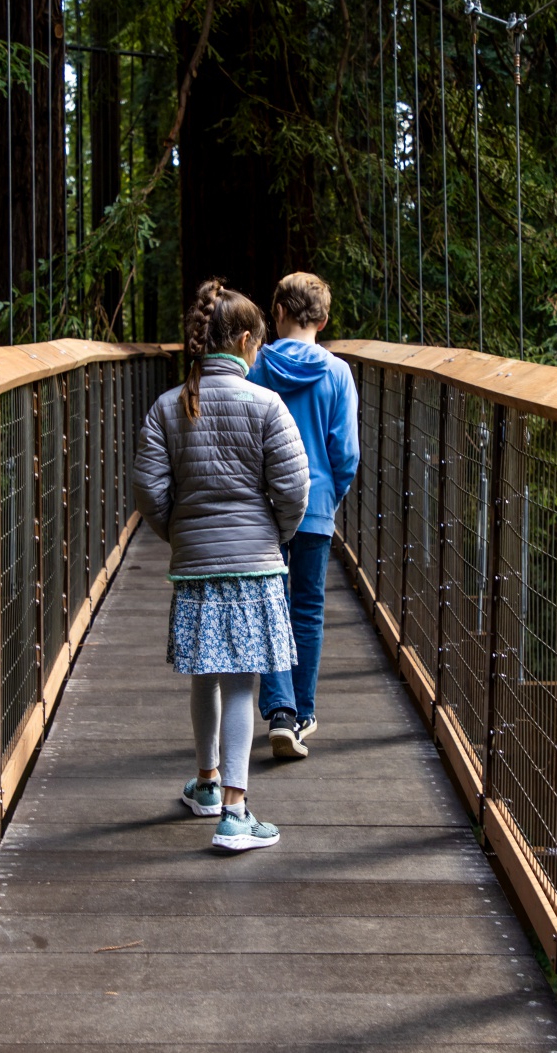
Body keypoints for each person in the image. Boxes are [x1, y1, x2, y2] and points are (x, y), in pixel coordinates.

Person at [133, 280, 310, 851]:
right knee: (241, 679)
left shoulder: (167, 407)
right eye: (257, 345)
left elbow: (149, 492)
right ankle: (235, 811)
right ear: (241, 341)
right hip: (254, 565)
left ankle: (207, 783)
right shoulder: (266, 405)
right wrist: (274, 538)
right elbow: (293, 488)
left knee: (206, 673)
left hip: (197, 566)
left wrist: (180, 536)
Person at [247, 272, 360, 758]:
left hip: (264, 507)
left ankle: (280, 711)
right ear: (324, 319)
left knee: (269, 604)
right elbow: (346, 453)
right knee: (307, 608)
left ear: (278, 314)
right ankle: (304, 711)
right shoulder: (337, 374)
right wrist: (330, 499)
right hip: (314, 508)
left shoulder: (255, 368)